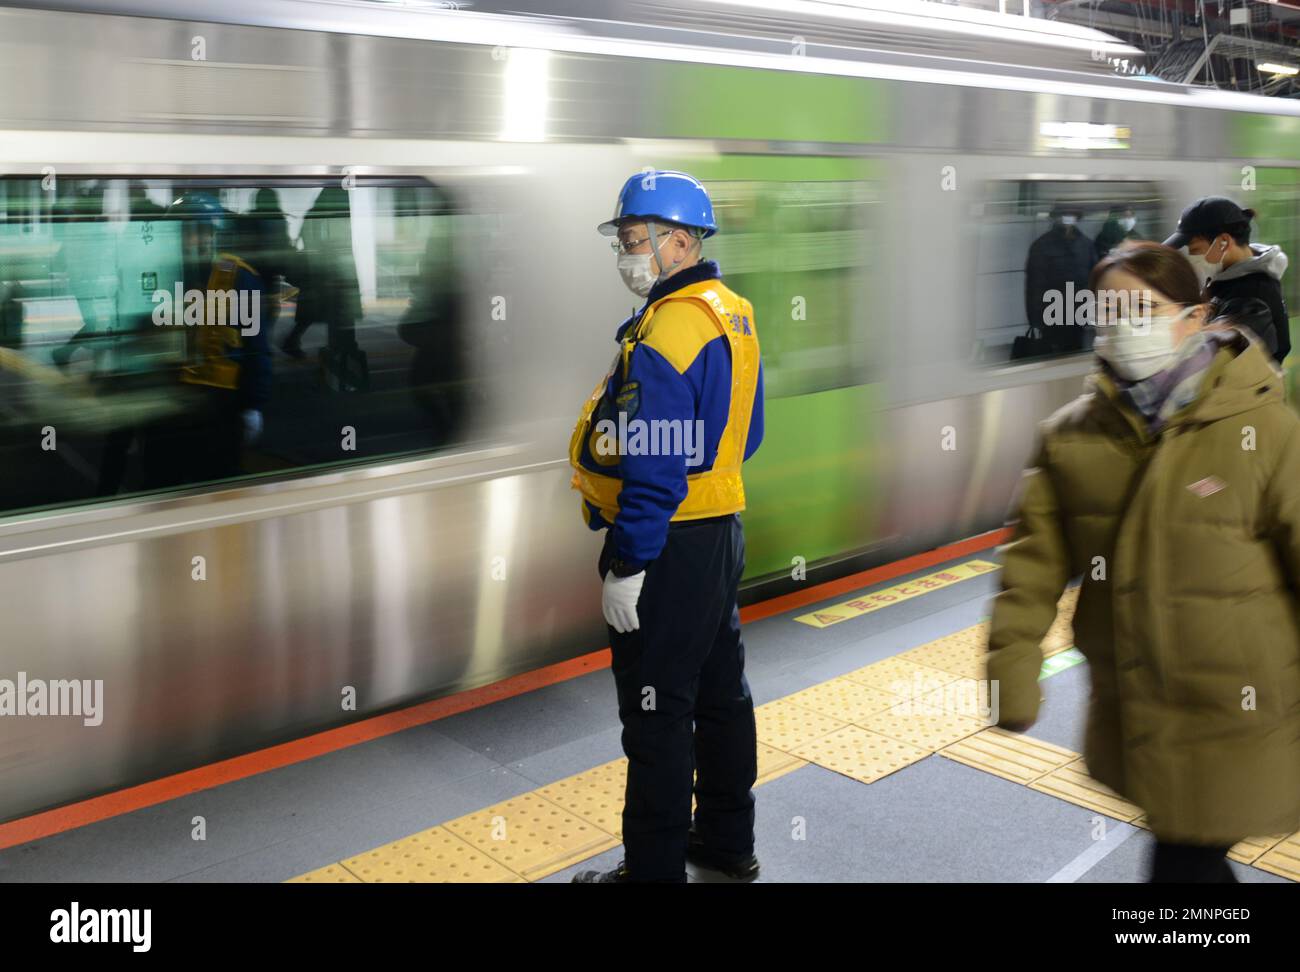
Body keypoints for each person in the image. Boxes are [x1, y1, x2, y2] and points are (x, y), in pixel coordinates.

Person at [986, 240, 1300, 883]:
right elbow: (1031, 566)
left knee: (1185, 866)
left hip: (1239, 703)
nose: (1123, 325)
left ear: (1193, 315)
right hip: (1137, 704)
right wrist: (1010, 668)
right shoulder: (1070, 436)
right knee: (1189, 860)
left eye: (1141, 307)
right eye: (1108, 311)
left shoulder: (1264, 430)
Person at [569, 170, 765, 884]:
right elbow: (750, 434)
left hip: (669, 548)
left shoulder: (667, 330)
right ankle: (725, 841)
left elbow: (653, 468)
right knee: (720, 697)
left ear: (678, 242)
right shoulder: (731, 313)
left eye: (634, 240)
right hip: (721, 536)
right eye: (624, 242)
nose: (627, 255)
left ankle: (652, 873)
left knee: (656, 716)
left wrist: (628, 564)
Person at [140, 191, 270, 488]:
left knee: (217, 488)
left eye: (205, 231)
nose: (197, 240)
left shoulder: (238, 279)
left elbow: (256, 348)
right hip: (173, 408)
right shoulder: (166, 276)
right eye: (189, 232)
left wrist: (253, 406)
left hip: (222, 410)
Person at [1164, 196, 1290, 363]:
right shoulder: (1225, 279)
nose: (1191, 257)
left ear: (1223, 242)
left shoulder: (1252, 295)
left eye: (1195, 249)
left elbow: (1208, 352)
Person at [1021, 203, 1096, 357]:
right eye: (1065, 213)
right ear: (1056, 217)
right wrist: (1035, 321)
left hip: (1077, 313)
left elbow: (1093, 279)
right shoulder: (1042, 245)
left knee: (1075, 353)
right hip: (1052, 313)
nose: (1069, 218)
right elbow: (1034, 285)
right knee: (1053, 357)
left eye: (1072, 214)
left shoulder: (1086, 245)